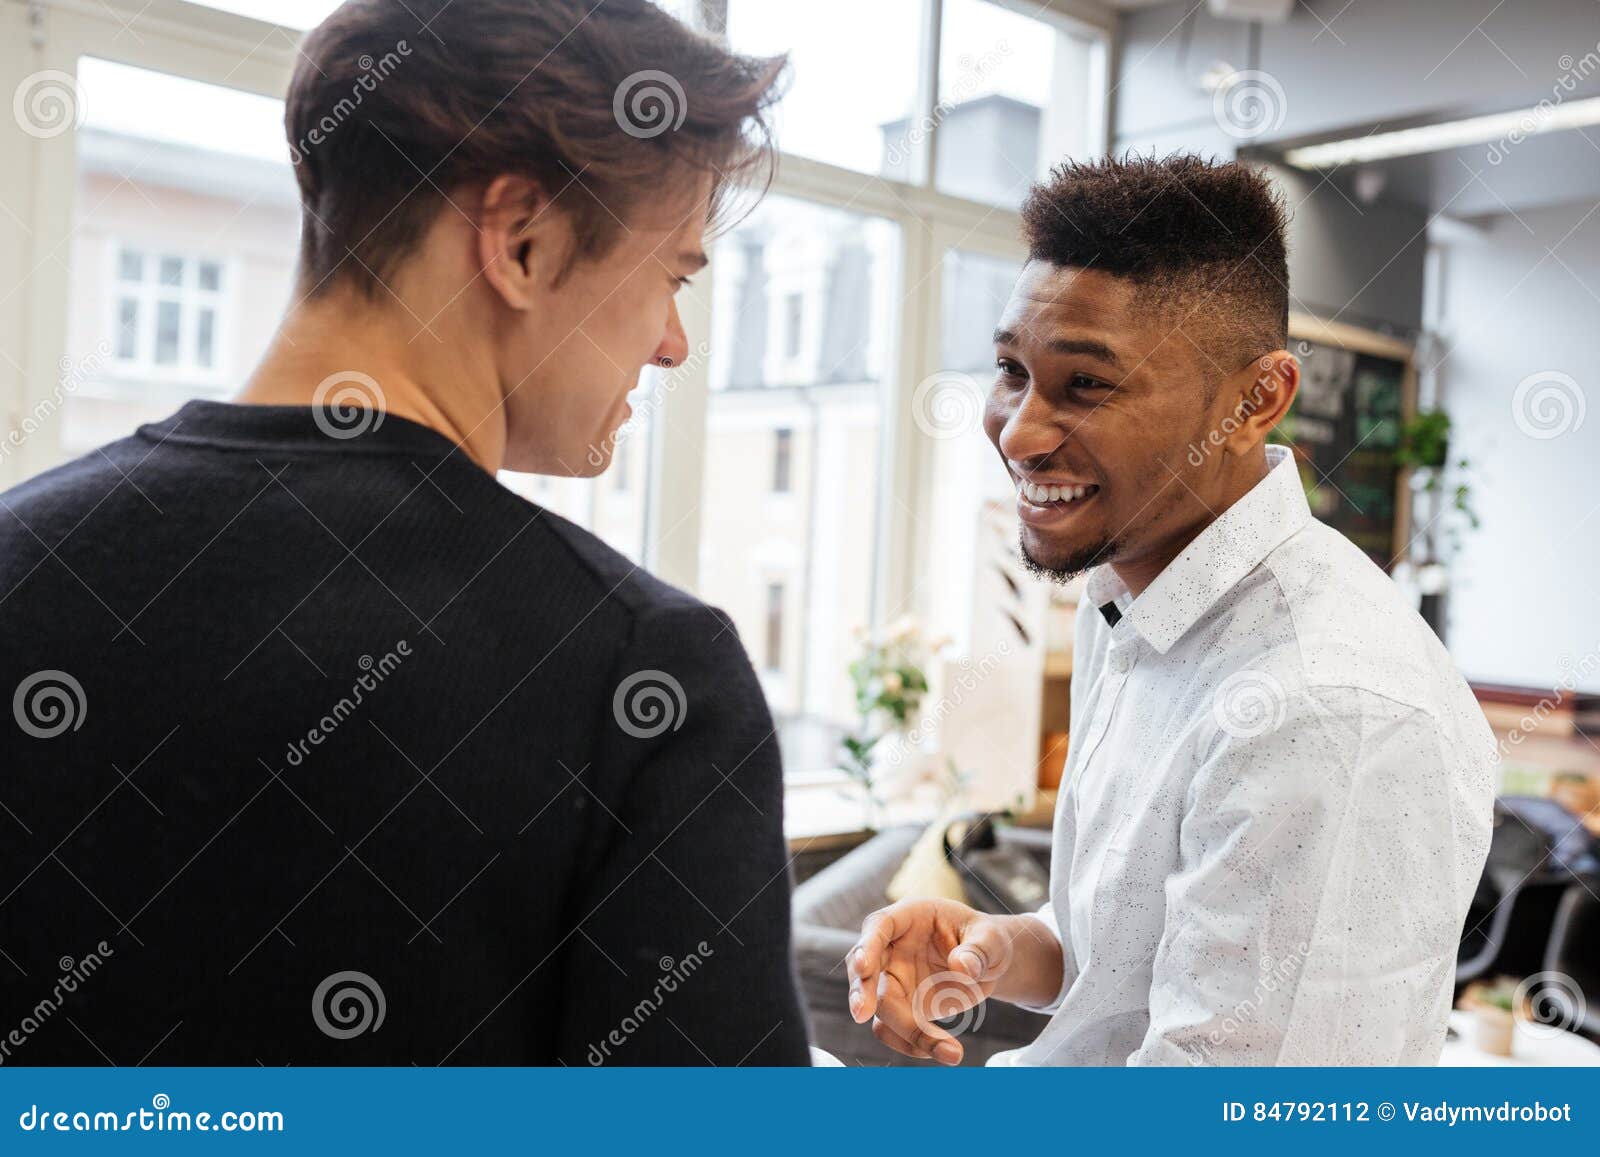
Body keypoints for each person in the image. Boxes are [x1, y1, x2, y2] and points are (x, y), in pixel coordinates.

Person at [0, 0, 810, 1065]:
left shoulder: (22, 560)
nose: (671, 343)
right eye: (672, 276)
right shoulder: (641, 675)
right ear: (523, 239)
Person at [846, 154, 1496, 1066]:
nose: (1021, 431)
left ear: (1255, 399)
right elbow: (1131, 972)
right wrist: (999, 949)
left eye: (1087, 385)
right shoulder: (1126, 600)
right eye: (1010, 370)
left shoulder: (1324, 704)